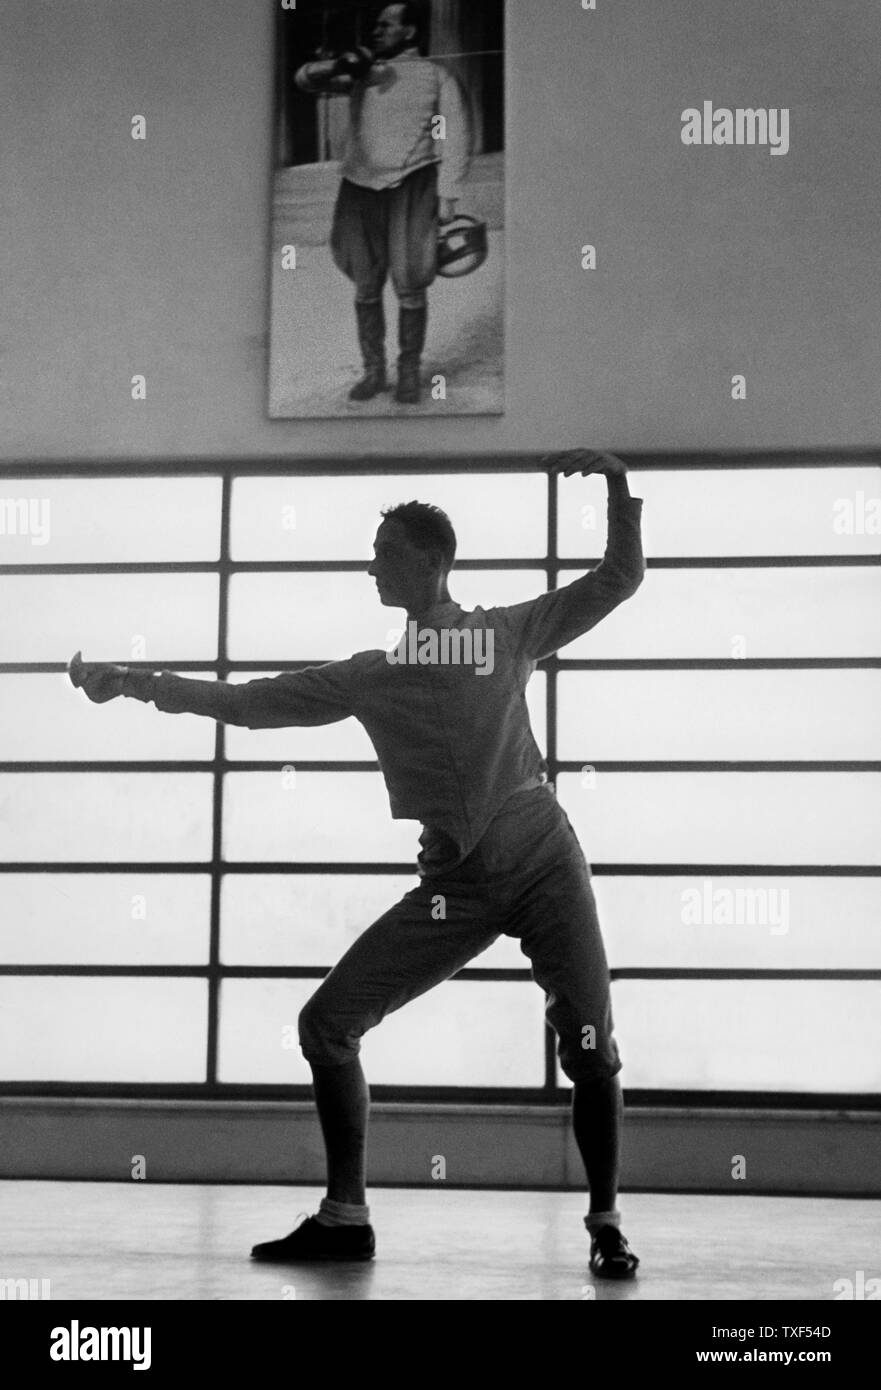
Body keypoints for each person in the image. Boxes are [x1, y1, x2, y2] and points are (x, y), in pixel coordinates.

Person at [68, 448, 645, 1281]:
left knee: (589, 1045)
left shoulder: (507, 632)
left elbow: (617, 578)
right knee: (326, 1025)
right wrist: (134, 680)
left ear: (433, 560)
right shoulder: (373, 676)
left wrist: (619, 484)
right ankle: (345, 1218)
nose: (370, 564)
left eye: (384, 551)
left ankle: (605, 1223)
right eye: (372, 551)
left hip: (547, 865)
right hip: (455, 891)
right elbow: (248, 704)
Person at [294, 2, 470, 405]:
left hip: (413, 184)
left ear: (409, 32)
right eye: (375, 25)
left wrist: (448, 195)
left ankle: (408, 372)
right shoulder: (361, 72)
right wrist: (338, 64)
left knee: (411, 281)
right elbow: (303, 80)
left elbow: (456, 135)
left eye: (386, 25)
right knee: (365, 282)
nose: (376, 31)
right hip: (358, 186)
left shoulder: (436, 76)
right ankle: (374, 371)